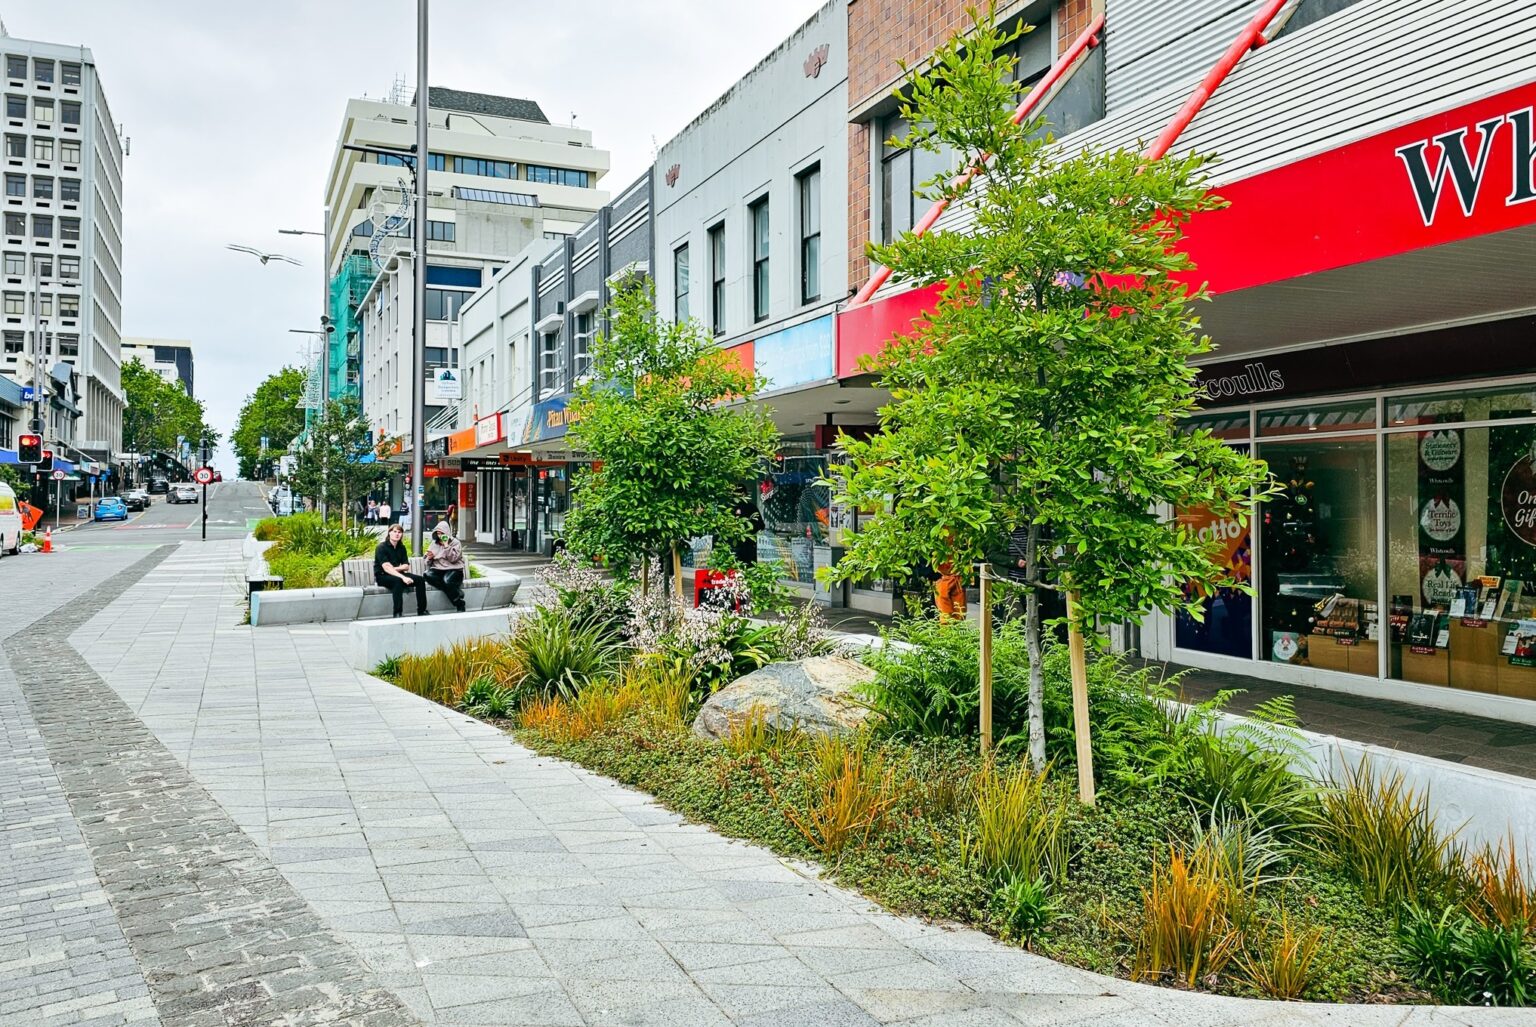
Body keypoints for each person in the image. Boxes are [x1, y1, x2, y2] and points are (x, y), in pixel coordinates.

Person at [374, 523, 427, 618]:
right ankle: (397, 613)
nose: (397, 534)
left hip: (397, 574)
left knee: (420, 580)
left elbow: (406, 566)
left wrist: (394, 569)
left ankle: (422, 610)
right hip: (382, 576)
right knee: (398, 581)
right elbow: (386, 568)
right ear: (389, 533)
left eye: (399, 532)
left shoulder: (401, 548)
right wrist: (403, 577)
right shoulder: (381, 547)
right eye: (394, 532)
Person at [424, 520, 467, 612]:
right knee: (427, 574)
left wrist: (446, 545)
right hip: (438, 570)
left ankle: (459, 603)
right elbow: (427, 562)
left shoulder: (455, 543)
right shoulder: (434, 543)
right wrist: (429, 558)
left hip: (454, 570)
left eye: (442, 533)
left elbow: (453, 559)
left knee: (447, 581)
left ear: (447, 533)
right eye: (438, 533)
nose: (440, 536)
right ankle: (456, 592)